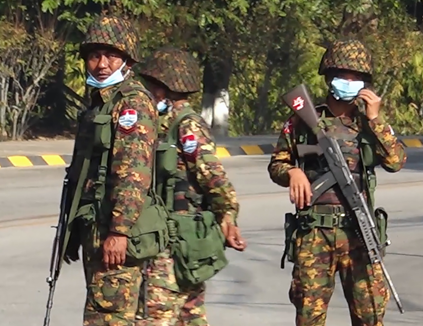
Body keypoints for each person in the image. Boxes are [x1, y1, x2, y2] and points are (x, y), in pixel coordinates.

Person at [268, 38, 407, 326]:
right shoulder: (303, 121)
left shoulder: (370, 124)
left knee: (369, 314)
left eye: (355, 77)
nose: (348, 81)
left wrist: (375, 119)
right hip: (314, 233)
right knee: (309, 316)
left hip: (358, 232)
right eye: (342, 75)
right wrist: (292, 173)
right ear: (329, 77)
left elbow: (395, 162)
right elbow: (277, 164)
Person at [135, 46, 246, 326]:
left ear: (165, 90)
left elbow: (213, 176)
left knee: (154, 316)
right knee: (190, 317)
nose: (147, 92)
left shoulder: (186, 126)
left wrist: (228, 214)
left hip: (173, 245)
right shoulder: (161, 124)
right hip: (179, 242)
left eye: (151, 86)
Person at [61, 15, 160, 326]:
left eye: (111, 56)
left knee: (107, 317)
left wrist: (119, 231)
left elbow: (134, 171)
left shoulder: (131, 104)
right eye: (94, 56)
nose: (102, 64)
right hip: (94, 226)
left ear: (126, 59)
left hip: (115, 230)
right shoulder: (99, 103)